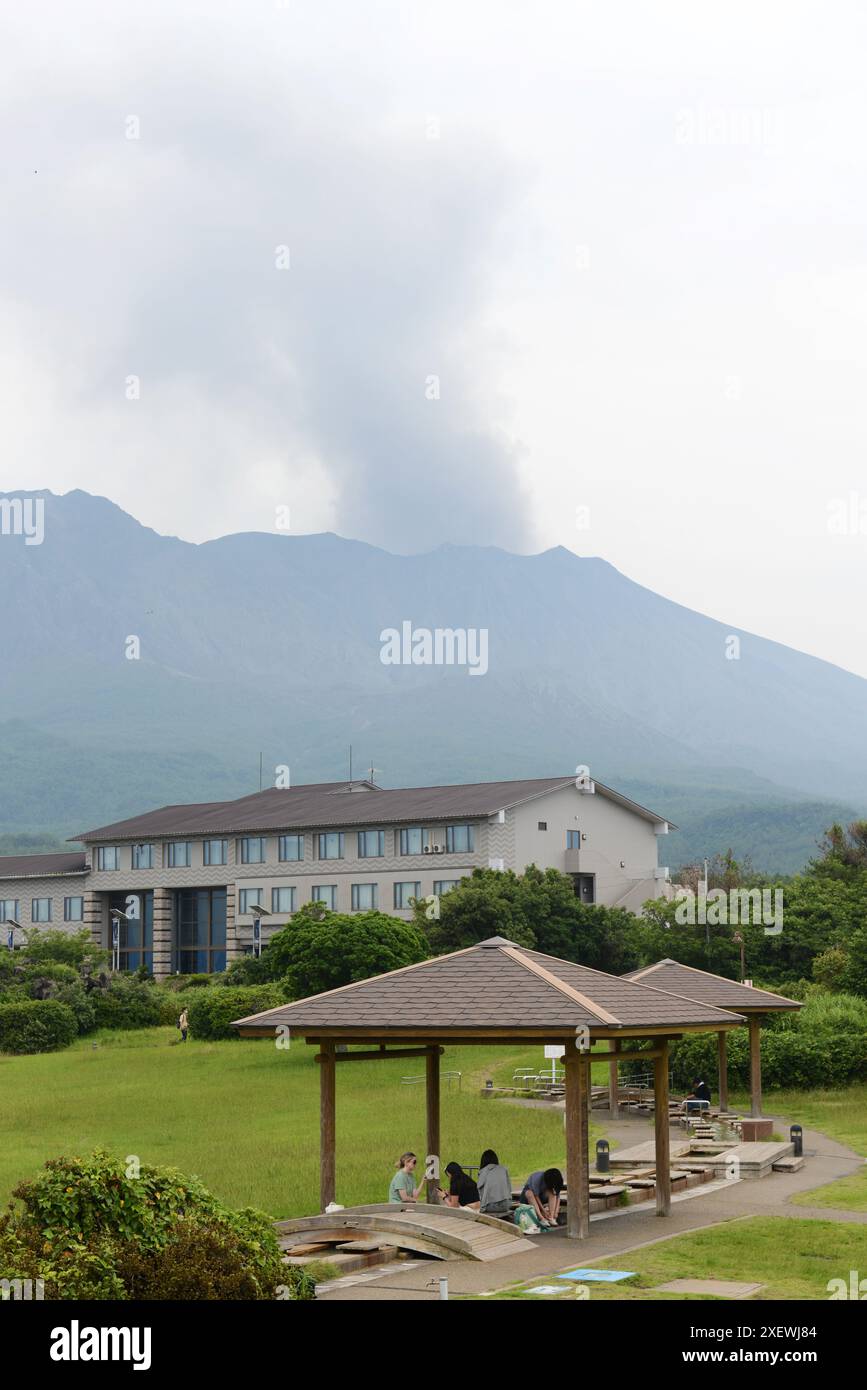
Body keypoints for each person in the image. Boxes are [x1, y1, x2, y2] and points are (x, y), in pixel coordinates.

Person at [477, 1149, 512, 1219]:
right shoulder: (504, 1169)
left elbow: (479, 1188)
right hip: (507, 1205)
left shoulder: (483, 1171)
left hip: (492, 1206)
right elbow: (509, 1188)